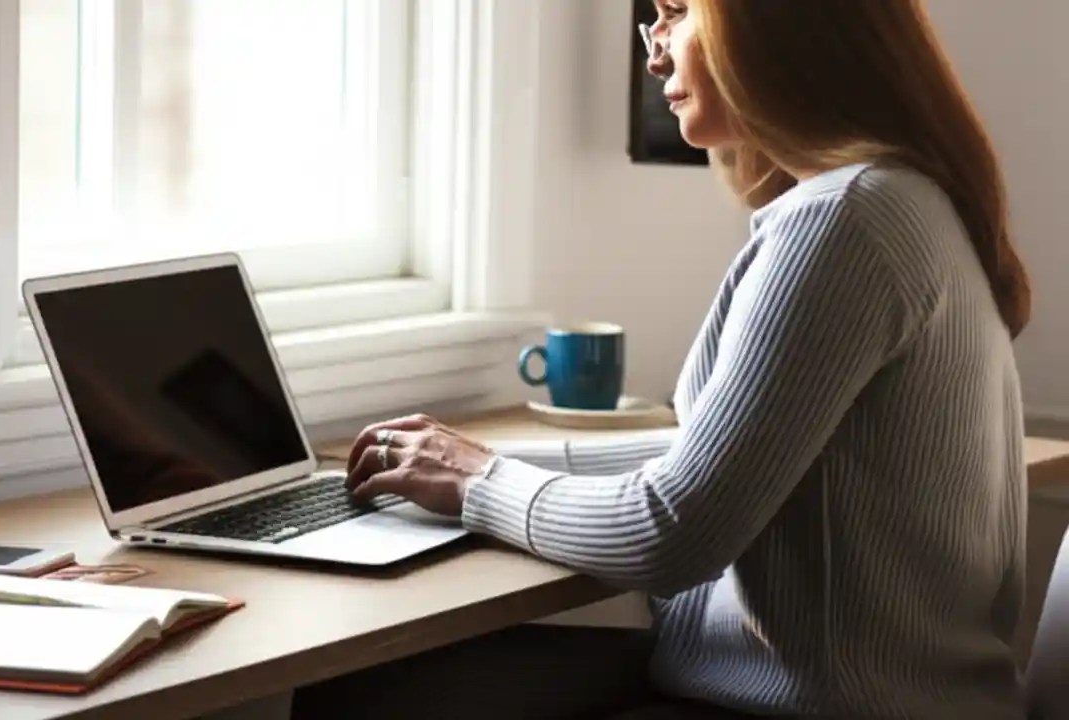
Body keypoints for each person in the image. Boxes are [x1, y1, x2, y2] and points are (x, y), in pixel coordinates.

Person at [292, 0, 1031, 718]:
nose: (652, 48)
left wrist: (481, 482)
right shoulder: (902, 201)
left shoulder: (842, 220)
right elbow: (718, 463)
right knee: (381, 690)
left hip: (822, 707)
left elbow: (671, 532)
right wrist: (470, 458)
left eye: (676, 11)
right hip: (858, 694)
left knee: (357, 695)